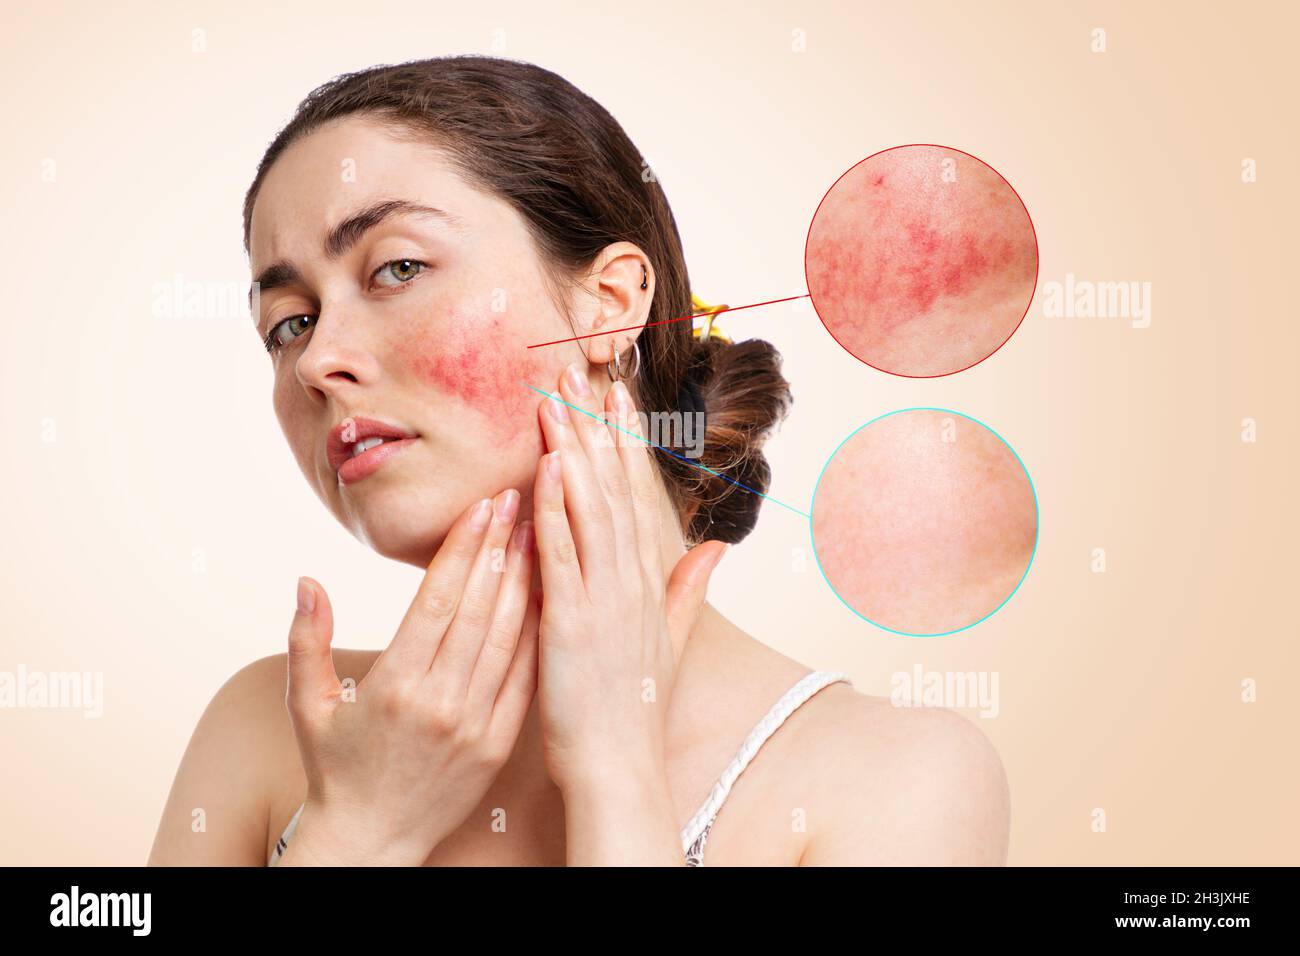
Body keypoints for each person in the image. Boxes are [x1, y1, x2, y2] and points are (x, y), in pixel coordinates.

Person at [147, 56, 1009, 866]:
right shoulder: (266, 732)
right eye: (288, 321)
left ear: (609, 302)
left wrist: (616, 772)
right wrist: (358, 828)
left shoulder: (898, 779)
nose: (315, 359)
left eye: (397, 267)